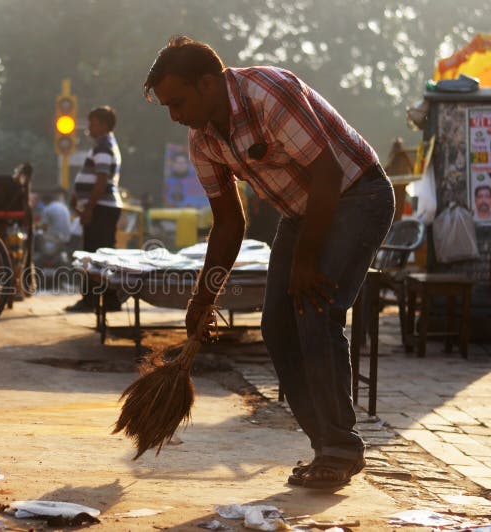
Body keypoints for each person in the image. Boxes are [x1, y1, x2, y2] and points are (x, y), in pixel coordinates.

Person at [144, 35, 394, 489]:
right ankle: (326, 448)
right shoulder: (202, 142)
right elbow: (227, 223)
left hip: (359, 195)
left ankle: (340, 447)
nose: (175, 115)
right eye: (167, 108)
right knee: (277, 327)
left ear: (207, 83)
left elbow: (329, 173)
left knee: (315, 307)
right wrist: (203, 298)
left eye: (178, 102)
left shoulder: (269, 93)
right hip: (302, 212)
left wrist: (306, 260)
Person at [66, 106, 124, 312]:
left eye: (93, 122)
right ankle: (106, 300)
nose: (89, 126)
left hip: (101, 208)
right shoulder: (102, 145)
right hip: (101, 207)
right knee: (99, 254)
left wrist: (89, 208)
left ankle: (95, 300)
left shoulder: (104, 146)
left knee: (95, 256)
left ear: (103, 125)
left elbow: (101, 180)